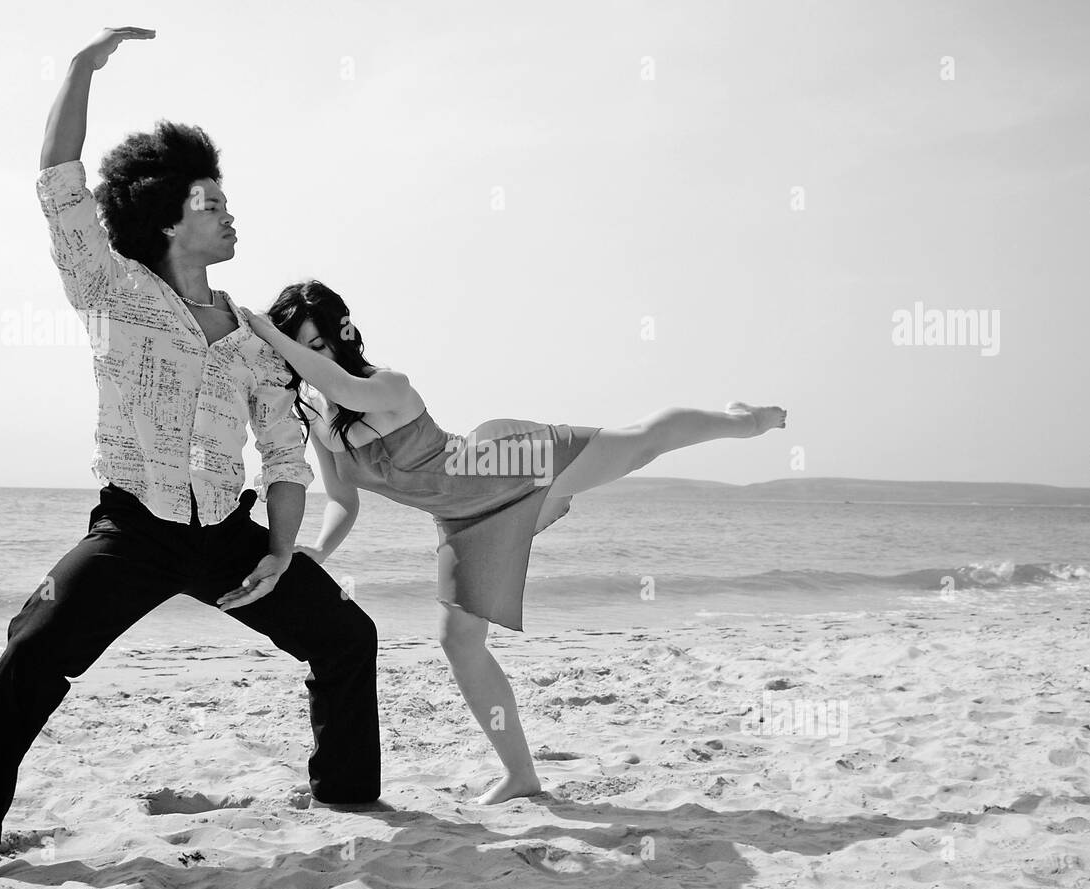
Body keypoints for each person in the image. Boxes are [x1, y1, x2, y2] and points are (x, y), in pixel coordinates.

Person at [0, 30, 381, 874]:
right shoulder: (110, 291)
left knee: (347, 635)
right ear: (169, 213)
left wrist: (283, 553)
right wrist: (79, 71)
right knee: (32, 647)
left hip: (227, 537)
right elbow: (58, 183)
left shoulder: (256, 341)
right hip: (134, 530)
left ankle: (349, 795)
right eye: (212, 201)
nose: (229, 211)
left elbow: (284, 454)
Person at [239, 280, 787, 804]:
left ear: (343, 333)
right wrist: (315, 550)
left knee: (640, 444)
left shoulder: (387, 385)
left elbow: (342, 386)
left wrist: (269, 332)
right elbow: (343, 500)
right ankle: (521, 775)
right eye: (299, 348)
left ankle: (745, 421)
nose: (310, 357)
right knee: (460, 644)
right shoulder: (322, 423)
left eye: (315, 343)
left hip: (502, 465)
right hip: (463, 524)